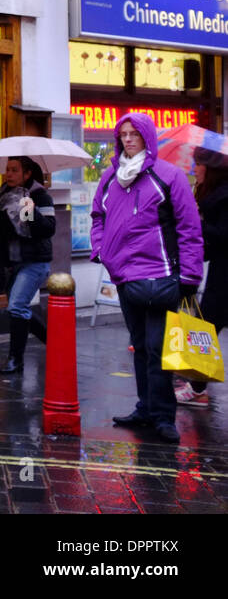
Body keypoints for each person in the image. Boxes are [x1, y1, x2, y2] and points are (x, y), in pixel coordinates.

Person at [92, 113, 204, 443]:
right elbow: (98, 214)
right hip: (127, 278)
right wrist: (101, 250)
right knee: (140, 347)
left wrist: (191, 275)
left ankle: (163, 417)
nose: (128, 140)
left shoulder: (169, 176)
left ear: (147, 137)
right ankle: (145, 408)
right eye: (123, 134)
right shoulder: (111, 177)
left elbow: (189, 227)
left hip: (163, 277)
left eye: (134, 134)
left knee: (158, 350)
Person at [0, 155, 55, 375]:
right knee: (20, 308)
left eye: (15, 170)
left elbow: (47, 230)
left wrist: (29, 210)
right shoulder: (0, 197)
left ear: (27, 173)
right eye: (7, 169)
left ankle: (15, 360)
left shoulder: (39, 195)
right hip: (11, 264)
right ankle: (55, 344)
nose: (9, 174)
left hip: (34, 262)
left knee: (16, 306)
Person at [178, 149, 228, 408]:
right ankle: (197, 386)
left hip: (224, 278)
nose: (194, 169)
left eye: (198, 165)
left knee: (205, 327)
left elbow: (223, 235)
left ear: (211, 169)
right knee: (206, 326)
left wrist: (198, 222)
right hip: (221, 272)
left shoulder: (224, 197)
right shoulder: (213, 196)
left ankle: (197, 389)